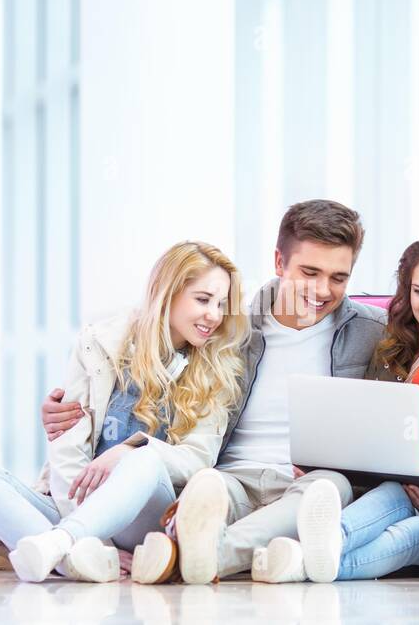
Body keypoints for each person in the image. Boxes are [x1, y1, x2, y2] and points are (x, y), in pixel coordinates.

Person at [42, 200, 387, 583]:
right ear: (279, 262)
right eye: (309, 272)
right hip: (228, 480)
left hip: (305, 484)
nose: (322, 290)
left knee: (331, 487)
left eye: (339, 277)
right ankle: (249, 555)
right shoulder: (229, 326)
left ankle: (201, 556)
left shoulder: (373, 331)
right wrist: (79, 408)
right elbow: (152, 370)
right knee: (205, 490)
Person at [0, 241, 249, 583]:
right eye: (203, 299)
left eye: (222, 304)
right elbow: (67, 448)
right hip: (79, 505)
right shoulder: (98, 344)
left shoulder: (219, 367)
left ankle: (61, 546)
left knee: (144, 458)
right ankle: (77, 558)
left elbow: (198, 458)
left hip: (147, 517)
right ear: (168, 293)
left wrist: (128, 449)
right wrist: (94, 535)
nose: (214, 315)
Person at [250, 229, 419, 583]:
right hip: (385, 495)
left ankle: (304, 554)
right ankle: (309, 558)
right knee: (395, 492)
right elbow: (363, 434)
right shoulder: (392, 347)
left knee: (408, 532)